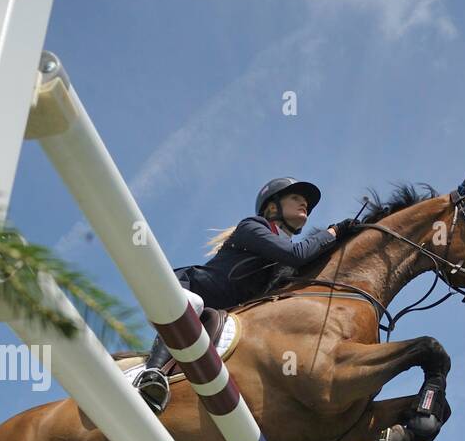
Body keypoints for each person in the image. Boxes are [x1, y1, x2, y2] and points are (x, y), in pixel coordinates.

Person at [128, 176, 342, 412]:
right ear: (272, 207)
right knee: (193, 302)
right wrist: (332, 232)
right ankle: (152, 374)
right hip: (183, 291)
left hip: (222, 312)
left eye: (306, 203)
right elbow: (297, 255)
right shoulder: (252, 226)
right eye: (295, 197)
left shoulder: (284, 253)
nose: (304, 204)